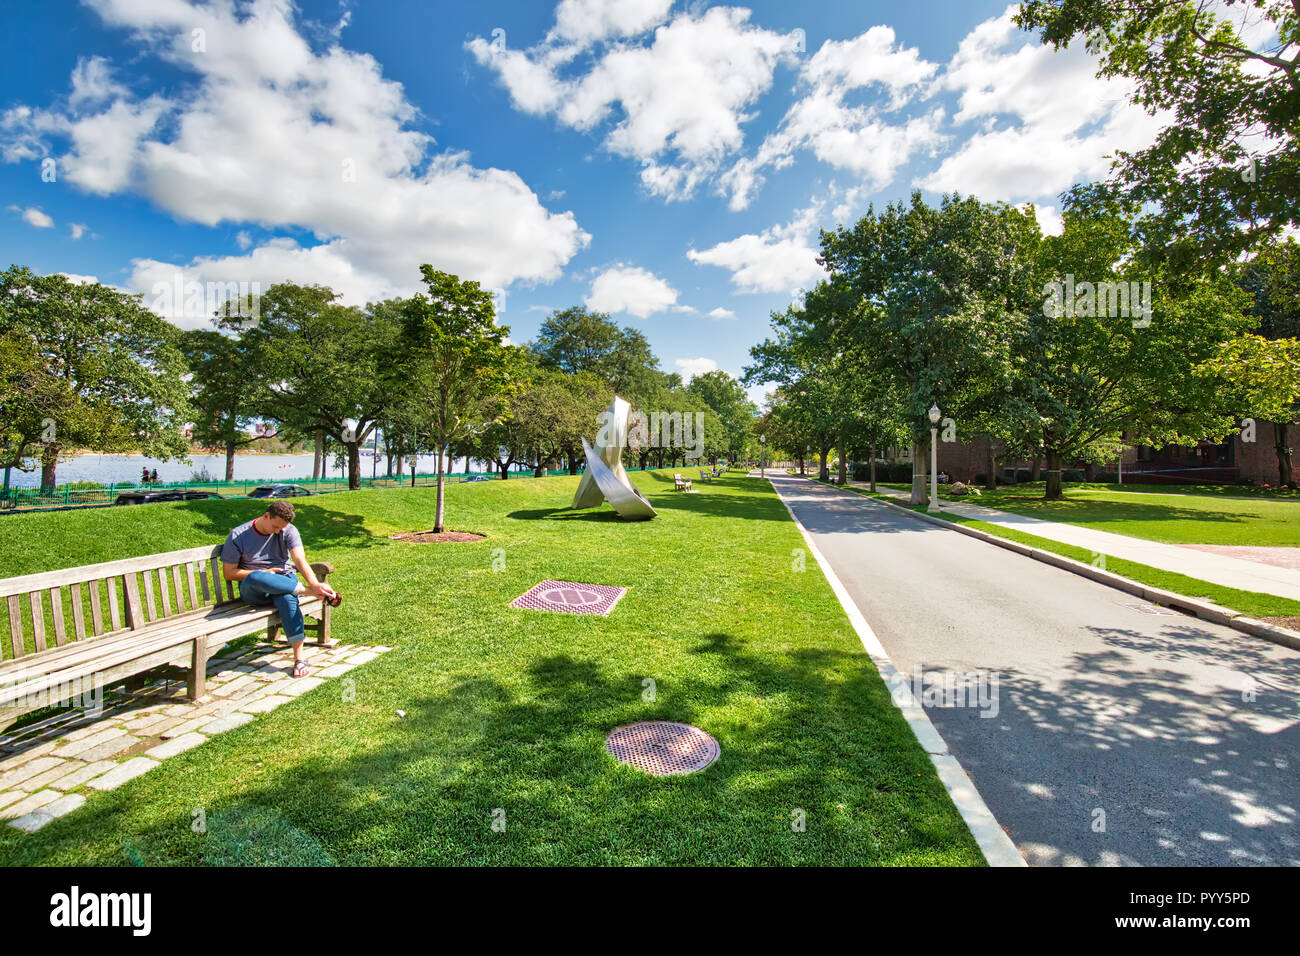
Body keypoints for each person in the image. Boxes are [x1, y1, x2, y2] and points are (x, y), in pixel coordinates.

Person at [221, 499, 340, 677]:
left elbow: (299, 560)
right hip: (255, 589)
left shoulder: (288, 530)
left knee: (286, 598)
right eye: (275, 527)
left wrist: (315, 583)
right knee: (257, 575)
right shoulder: (238, 535)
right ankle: (308, 592)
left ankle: (299, 658)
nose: (278, 532)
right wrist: (265, 572)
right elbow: (229, 573)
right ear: (266, 515)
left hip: (284, 582)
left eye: (281, 529)